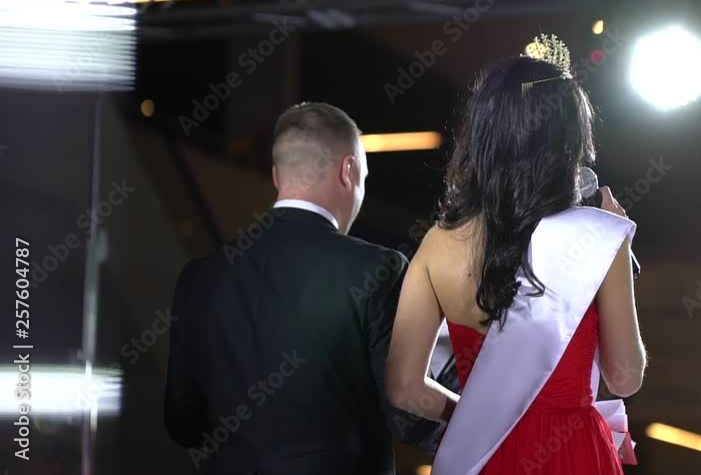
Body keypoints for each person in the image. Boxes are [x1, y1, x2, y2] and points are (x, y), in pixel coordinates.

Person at [386, 56, 647, 474]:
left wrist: (478, 419)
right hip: (571, 453)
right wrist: (618, 238)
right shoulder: (597, 236)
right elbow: (625, 378)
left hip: (481, 456)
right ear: (568, 143)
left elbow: (403, 388)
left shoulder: (437, 243)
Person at [164, 102, 442, 475]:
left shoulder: (201, 277)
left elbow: (182, 422)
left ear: (277, 175)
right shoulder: (378, 270)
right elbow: (412, 419)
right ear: (348, 171)